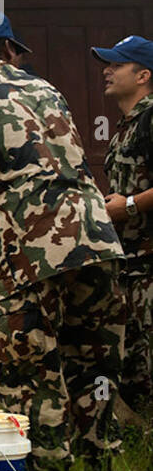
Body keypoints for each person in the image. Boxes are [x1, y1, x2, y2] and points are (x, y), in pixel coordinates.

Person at [0, 13, 126, 471]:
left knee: (32, 377)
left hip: (28, 256)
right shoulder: (48, 91)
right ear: (10, 50)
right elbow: (45, 174)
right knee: (93, 368)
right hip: (96, 241)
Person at [93, 35, 153, 411]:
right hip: (130, 265)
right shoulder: (126, 126)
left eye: (117, 65)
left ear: (143, 75)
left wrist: (128, 206)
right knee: (133, 365)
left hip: (149, 265)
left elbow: (130, 200)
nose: (107, 71)